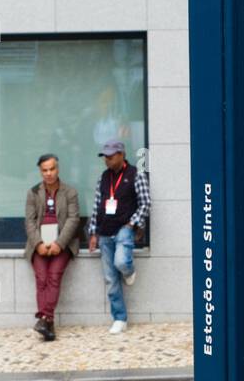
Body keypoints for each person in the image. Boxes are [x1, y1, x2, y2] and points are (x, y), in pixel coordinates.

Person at [87, 140, 150, 334]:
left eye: (111, 156)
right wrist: (93, 232)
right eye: (105, 156)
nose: (107, 160)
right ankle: (120, 318)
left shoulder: (135, 174)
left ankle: (129, 271)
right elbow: (97, 205)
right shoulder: (103, 178)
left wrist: (132, 223)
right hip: (105, 231)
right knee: (110, 279)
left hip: (124, 227)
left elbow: (145, 203)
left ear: (121, 155)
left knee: (122, 262)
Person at [24, 153, 80, 341]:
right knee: (41, 279)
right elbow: (29, 222)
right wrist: (38, 244)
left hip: (62, 243)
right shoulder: (33, 192)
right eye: (44, 170)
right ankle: (48, 323)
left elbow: (73, 219)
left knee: (54, 276)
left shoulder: (70, 192)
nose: (49, 173)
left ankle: (44, 319)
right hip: (39, 242)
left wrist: (59, 243)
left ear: (58, 168)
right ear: (40, 172)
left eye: (52, 169)